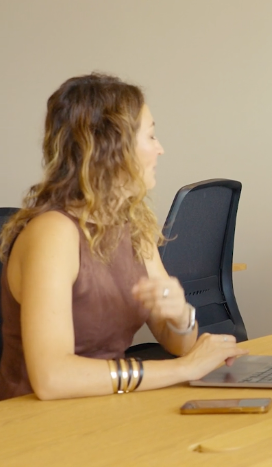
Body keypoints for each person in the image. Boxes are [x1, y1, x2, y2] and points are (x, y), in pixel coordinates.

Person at [0, 73, 247, 402]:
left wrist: (180, 317)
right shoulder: (53, 233)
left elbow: (178, 343)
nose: (160, 149)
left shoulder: (131, 225)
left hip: (104, 408)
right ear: (111, 147)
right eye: (151, 136)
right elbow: (52, 379)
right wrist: (183, 369)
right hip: (38, 423)